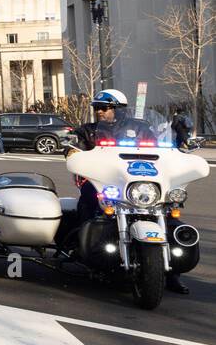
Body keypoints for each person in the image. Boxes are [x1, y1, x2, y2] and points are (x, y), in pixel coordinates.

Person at [69, 89, 189, 294]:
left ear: (119, 109)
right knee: (88, 199)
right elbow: (74, 147)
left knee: (169, 211)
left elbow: (162, 149)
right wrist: (72, 150)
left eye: (105, 108)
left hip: (140, 183)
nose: (99, 112)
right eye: (97, 108)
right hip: (105, 183)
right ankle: (84, 248)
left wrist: (178, 148)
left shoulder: (140, 128)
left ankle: (172, 273)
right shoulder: (88, 131)